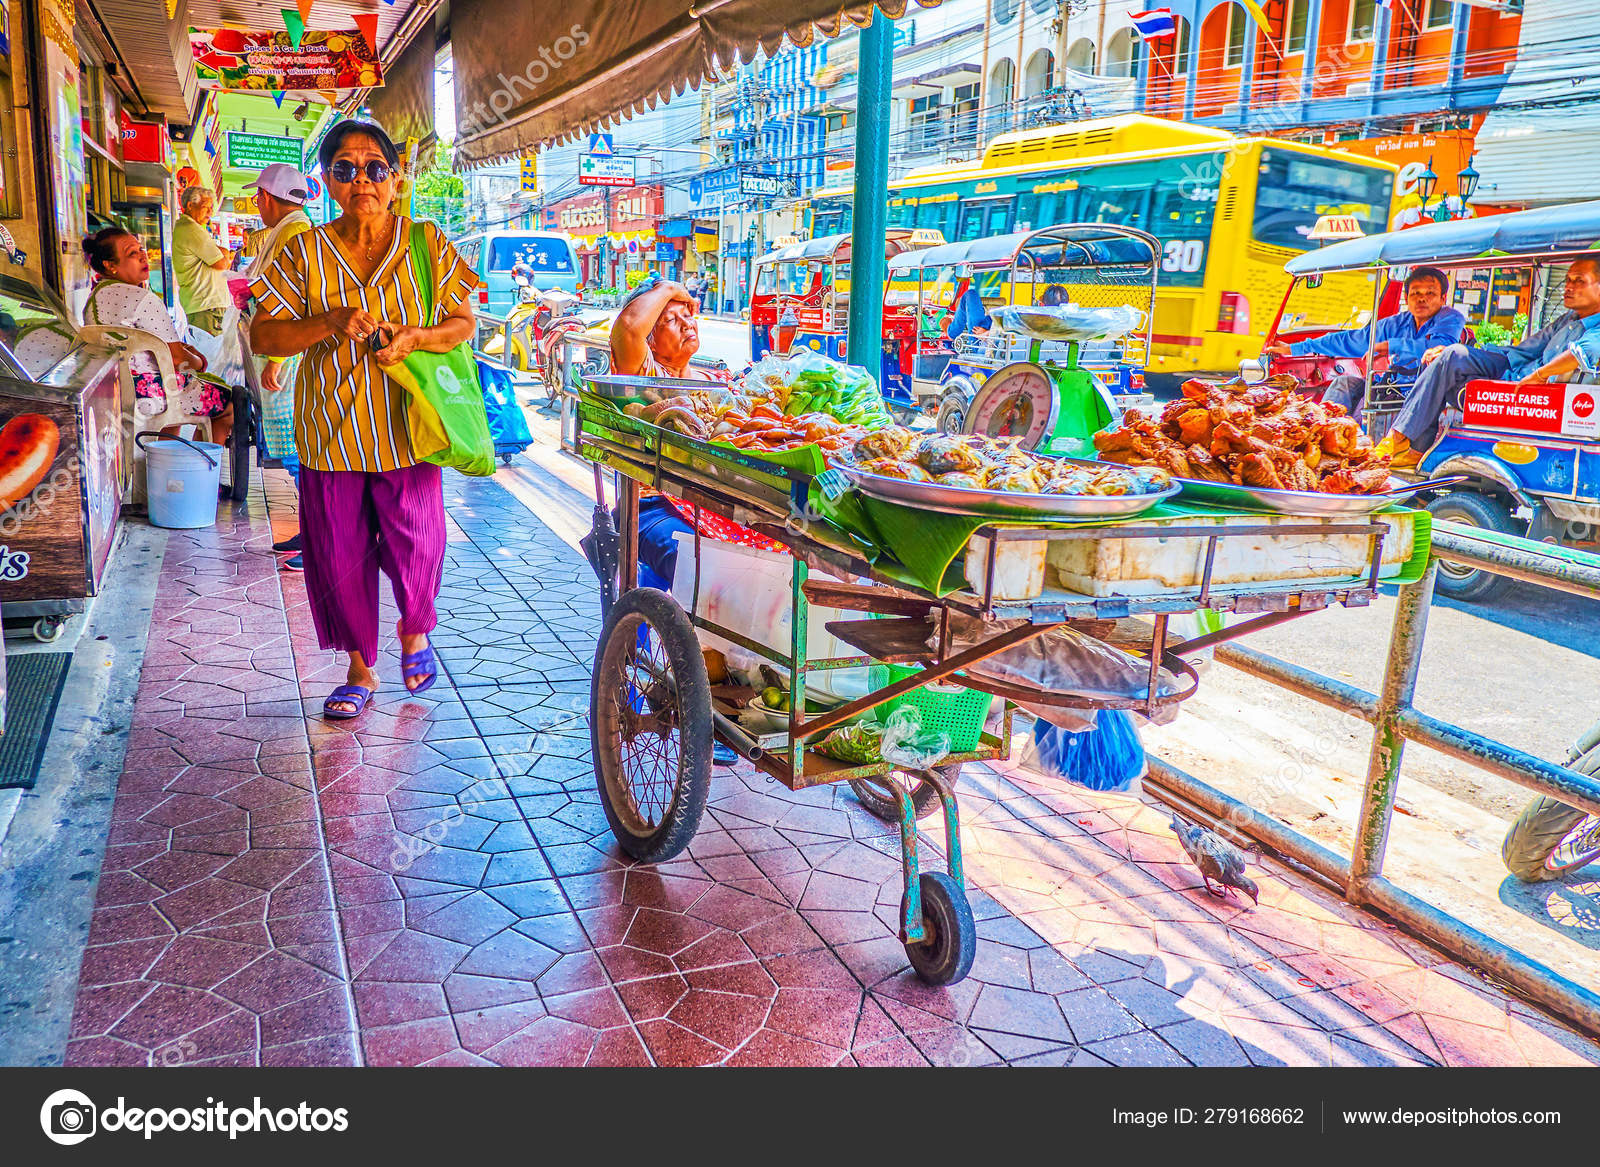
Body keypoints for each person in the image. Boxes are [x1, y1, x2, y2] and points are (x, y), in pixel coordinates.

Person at [249, 119, 478, 721]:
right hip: (330, 430)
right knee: (339, 552)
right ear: (326, 180)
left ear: (396, 180)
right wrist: (326, 321)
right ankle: (359, 667)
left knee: (417, 541)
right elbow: (264, 331)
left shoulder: (427, 243)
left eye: (376, 167)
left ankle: (414, 628)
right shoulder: (302, 251)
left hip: (409, 427)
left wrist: (417, 336)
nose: (362, 181)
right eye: (345, 169)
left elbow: (463, 322)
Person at [1375, 256, 1600, 468]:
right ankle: (1410, 445)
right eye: (1568, 280)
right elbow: (1521, 351)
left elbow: (1581, 353)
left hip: (1539, 398)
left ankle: (1401, 440)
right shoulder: (1567, 320)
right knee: (1442, 358)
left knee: (1447, 365)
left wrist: (1539, 375)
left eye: (1579, 281)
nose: (1568, 287)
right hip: (1512, 377)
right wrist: (1467, 353)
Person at [81, 227, 234, 454]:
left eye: (140, 248)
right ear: (110, 265)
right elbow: (176, 358)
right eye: (132, 253)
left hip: (115, 392)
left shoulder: (93, 301)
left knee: (179, 396)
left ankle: (166, 465)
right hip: (151, 394)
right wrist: (200, 362)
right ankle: (198, 469)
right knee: (229, 404)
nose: (143, 255)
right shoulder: (142, 299)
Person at [1263, 266, 1464, 423]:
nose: (1421, 298)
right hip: (1391, 388)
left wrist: (1388, 346)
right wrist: (1295, 348)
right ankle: (1319, 431)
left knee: (1364, 410)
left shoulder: (1450, 318)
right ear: (1406, 297)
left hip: (1421, 394)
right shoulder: (1397, 322)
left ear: (1443, 298)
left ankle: (1356, 451)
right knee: (1344, 383)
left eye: (1430, 293)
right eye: (1415, 293)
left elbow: (1439, 348)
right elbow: (1353, 340)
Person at [241, 163, 315, 570]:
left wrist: (277, 358)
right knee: (296, 454)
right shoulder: (289, 230)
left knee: (301, 454)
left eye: (258, 196)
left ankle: (318, 540)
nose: (257, 203)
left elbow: (295, 301)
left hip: (288, 360)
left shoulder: (293, 232)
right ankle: (312, 532)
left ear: (268, 197)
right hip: (282, 356)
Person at [172, 185, 234, 336]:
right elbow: (221, 263)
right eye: (206, 207)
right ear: (190, 205)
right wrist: (224, 252)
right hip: (207, 307)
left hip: (204, 306)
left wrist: (222, 253)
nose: (210, 212)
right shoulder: (191, 229)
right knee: (213, 354)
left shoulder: (189, 228)